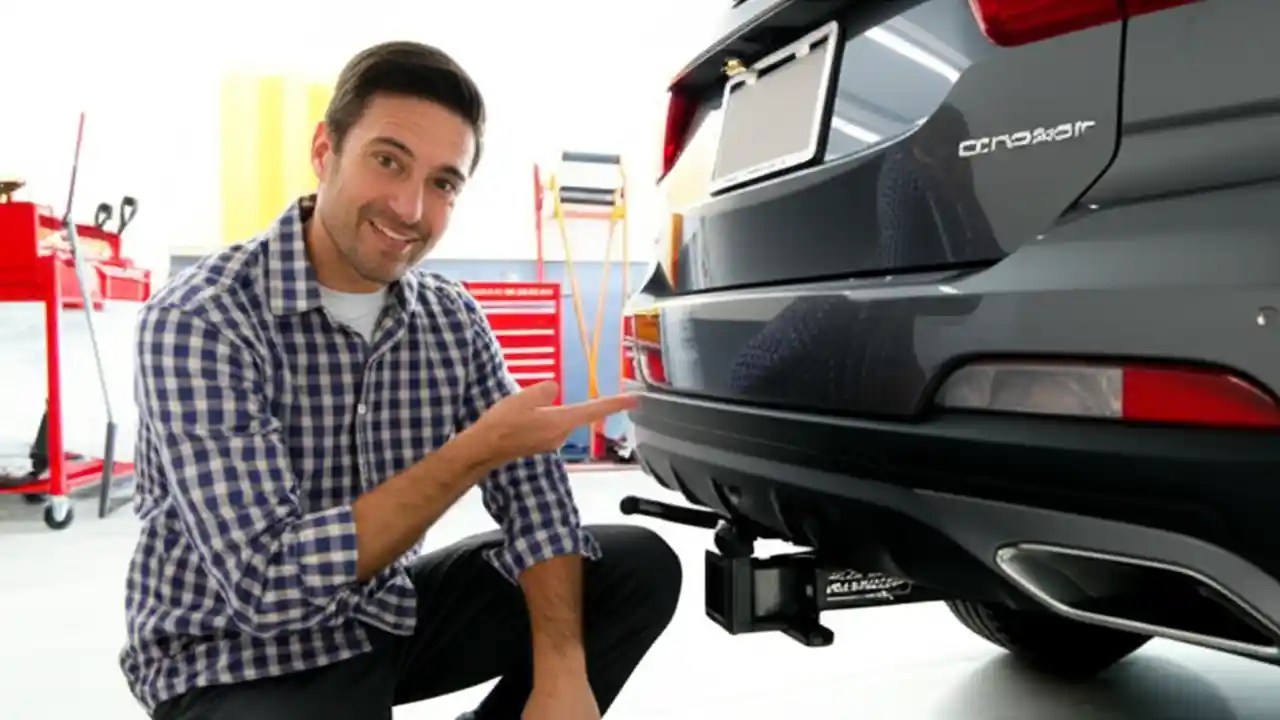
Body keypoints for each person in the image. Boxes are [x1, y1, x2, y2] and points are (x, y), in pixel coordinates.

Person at [119, 40, 683, 720]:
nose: (412, 208)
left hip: (380, 618)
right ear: (325, 151)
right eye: (388, 161)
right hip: (231, 656)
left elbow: (533, 498)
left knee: (636, 569)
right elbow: (267, 587)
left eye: (443, 182)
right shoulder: (202, 318)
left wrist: (562, 669)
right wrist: (473, 451)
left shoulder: (449, 317)